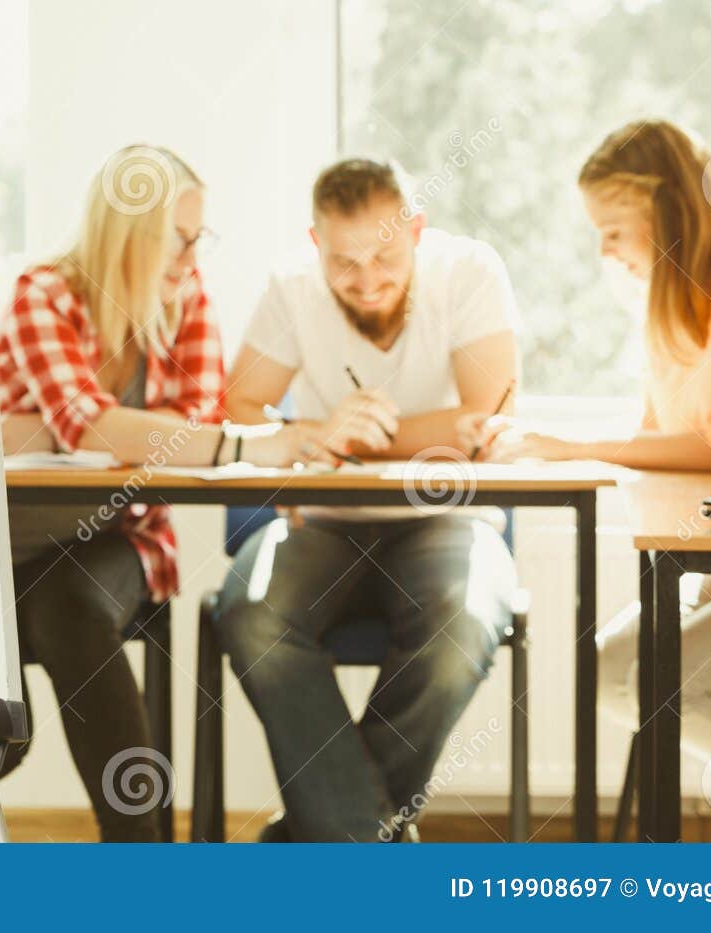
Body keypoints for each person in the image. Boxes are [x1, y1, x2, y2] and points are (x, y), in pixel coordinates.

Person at [0, 145, 337, 842]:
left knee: (67, 605)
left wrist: (63, 432)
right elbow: (90, 421)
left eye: (199, 237)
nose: (193, 256)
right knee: (7, 730)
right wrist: (192, 439)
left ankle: (138, 860)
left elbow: (186, 434)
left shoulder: (188, 305)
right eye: (178, 239)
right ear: (129, 236)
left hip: (115, 537)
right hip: (3, 545)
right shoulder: (46, 292)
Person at [473, 119, 711, 822]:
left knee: (648, 676)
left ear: (665, 209)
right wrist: (561, 446)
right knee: (613, 673)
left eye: (613, 228)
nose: (604, 249)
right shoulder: (666, 297)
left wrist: (569, 443)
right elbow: (660, 436)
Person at [219, 157, 520, 841]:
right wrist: (316, 433)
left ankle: (319, 839)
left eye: (384, 254)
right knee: (251, 613)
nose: (367, 281)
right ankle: (365, 841)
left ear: (416, 230)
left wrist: (357, 440)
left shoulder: (469, 271)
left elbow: (487, 420)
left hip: (448, 518)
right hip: (324, 519)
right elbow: (240, 405)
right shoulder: (291, 286)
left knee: (462, 623)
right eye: (343, 262)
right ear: (314, 242)